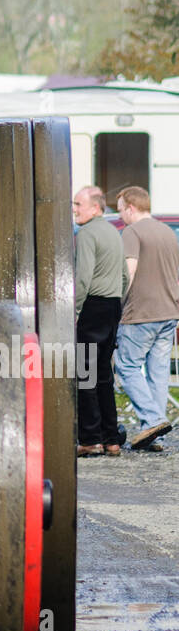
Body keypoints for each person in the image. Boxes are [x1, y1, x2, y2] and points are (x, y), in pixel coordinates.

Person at [113, 185, 179, 452]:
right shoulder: (168, 232)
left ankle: (154, 420)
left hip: (140, 313)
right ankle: (156, 436)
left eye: (120, 211)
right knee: (158, 373)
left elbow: (128, 271)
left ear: (131, 207)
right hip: (168, 312)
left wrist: (116, 305)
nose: (120, 217)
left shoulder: (132, 232)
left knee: (127, 368)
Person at [73, 185, 127, 457]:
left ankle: (90, 438)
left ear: (96, 207)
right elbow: (125, 277)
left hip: (92, 306)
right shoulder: (114, 232)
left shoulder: (87, 233)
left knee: (85, 374)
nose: (74, 209)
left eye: (78, 204)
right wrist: (118, 304)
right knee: (104, 375)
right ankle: (111, 439)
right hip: (113, 306)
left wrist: (75, 310)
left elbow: (82, 278)